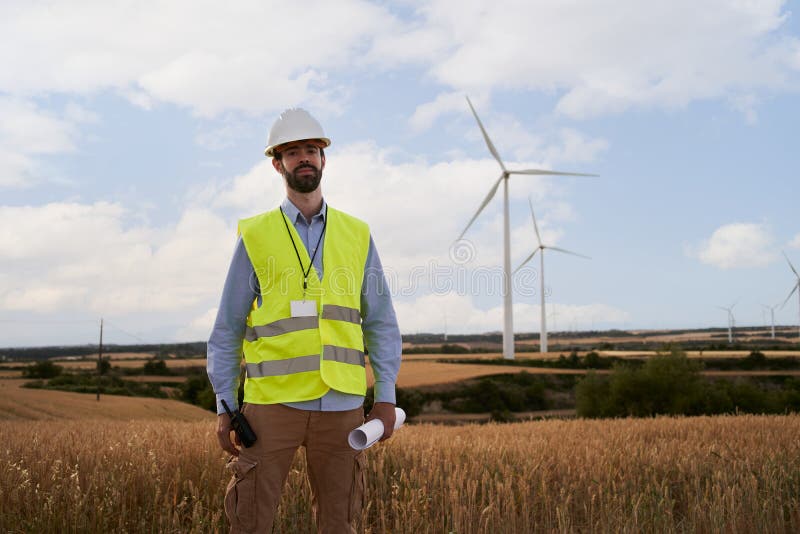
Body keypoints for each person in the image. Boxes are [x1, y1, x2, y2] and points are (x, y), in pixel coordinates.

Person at [207, 108, 402, 533]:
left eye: (311, 150)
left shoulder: (357, 234)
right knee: (250, 522)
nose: (304, 158)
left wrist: (384, 397)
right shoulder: (257, 235)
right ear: (277, 164)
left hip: (343, 406)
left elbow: (381, 323)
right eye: (292, 152)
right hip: (270, 407)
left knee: (340, 524)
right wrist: (225, 405)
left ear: (324, 158)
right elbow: (226, 330)